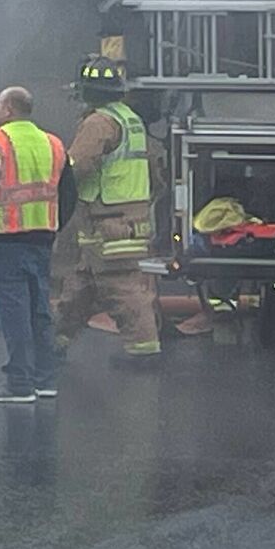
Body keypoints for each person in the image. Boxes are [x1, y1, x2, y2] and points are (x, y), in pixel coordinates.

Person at [0, 86, 75, 405]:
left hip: (3, 238)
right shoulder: (53, 144)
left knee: (13, 311)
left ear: (9, 109)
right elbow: (68, 195)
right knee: (39, 309)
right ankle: (45, 379)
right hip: (40, 238)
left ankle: (19, 383)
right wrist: (51, 225)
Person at [52, 54, 163, 364]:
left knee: (122, 287)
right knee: (82, 284)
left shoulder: (99, 122)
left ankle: (144, 351)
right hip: (125, 220)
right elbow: (155, 170)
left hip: (108, 223)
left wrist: (54, 184)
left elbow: (77, 166)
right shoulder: (130, 119)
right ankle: (56, 340)